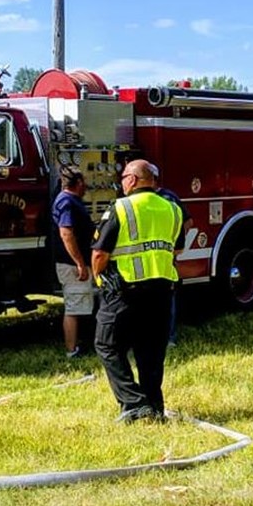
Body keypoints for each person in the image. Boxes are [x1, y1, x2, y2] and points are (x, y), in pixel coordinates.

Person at [91, 159, 185, 423]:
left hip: (125, 289)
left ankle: (134, 403)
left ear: (132, 180)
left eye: (123, 177)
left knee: (107, 344)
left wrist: (99, 279)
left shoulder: (121, 208)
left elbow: (100, 253)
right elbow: (177, 249)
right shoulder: (173, 210)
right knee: (151, 351)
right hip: (162, 289)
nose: (121, 182)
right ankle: (154, 406)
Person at [51, 166, 96, 358]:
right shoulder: (67, 202)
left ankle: (79, 345)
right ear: (78, 183)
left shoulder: (67, 200)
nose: (86, 186)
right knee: (74, 308)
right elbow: (66, 233)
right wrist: (79, 262)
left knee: (80, 305)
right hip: (71, 266)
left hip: (73, 263)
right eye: (84, 182)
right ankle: (72, 350)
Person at [149, 164, 193, 347]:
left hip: (159, 259)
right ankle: (165, 337)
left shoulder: (165, 198)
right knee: (164, 298)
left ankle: (167, 337)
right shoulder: (167, 197)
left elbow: (188, 222)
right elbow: (187, 222)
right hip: (159, 257)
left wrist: (173, 242)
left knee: (165, 298)